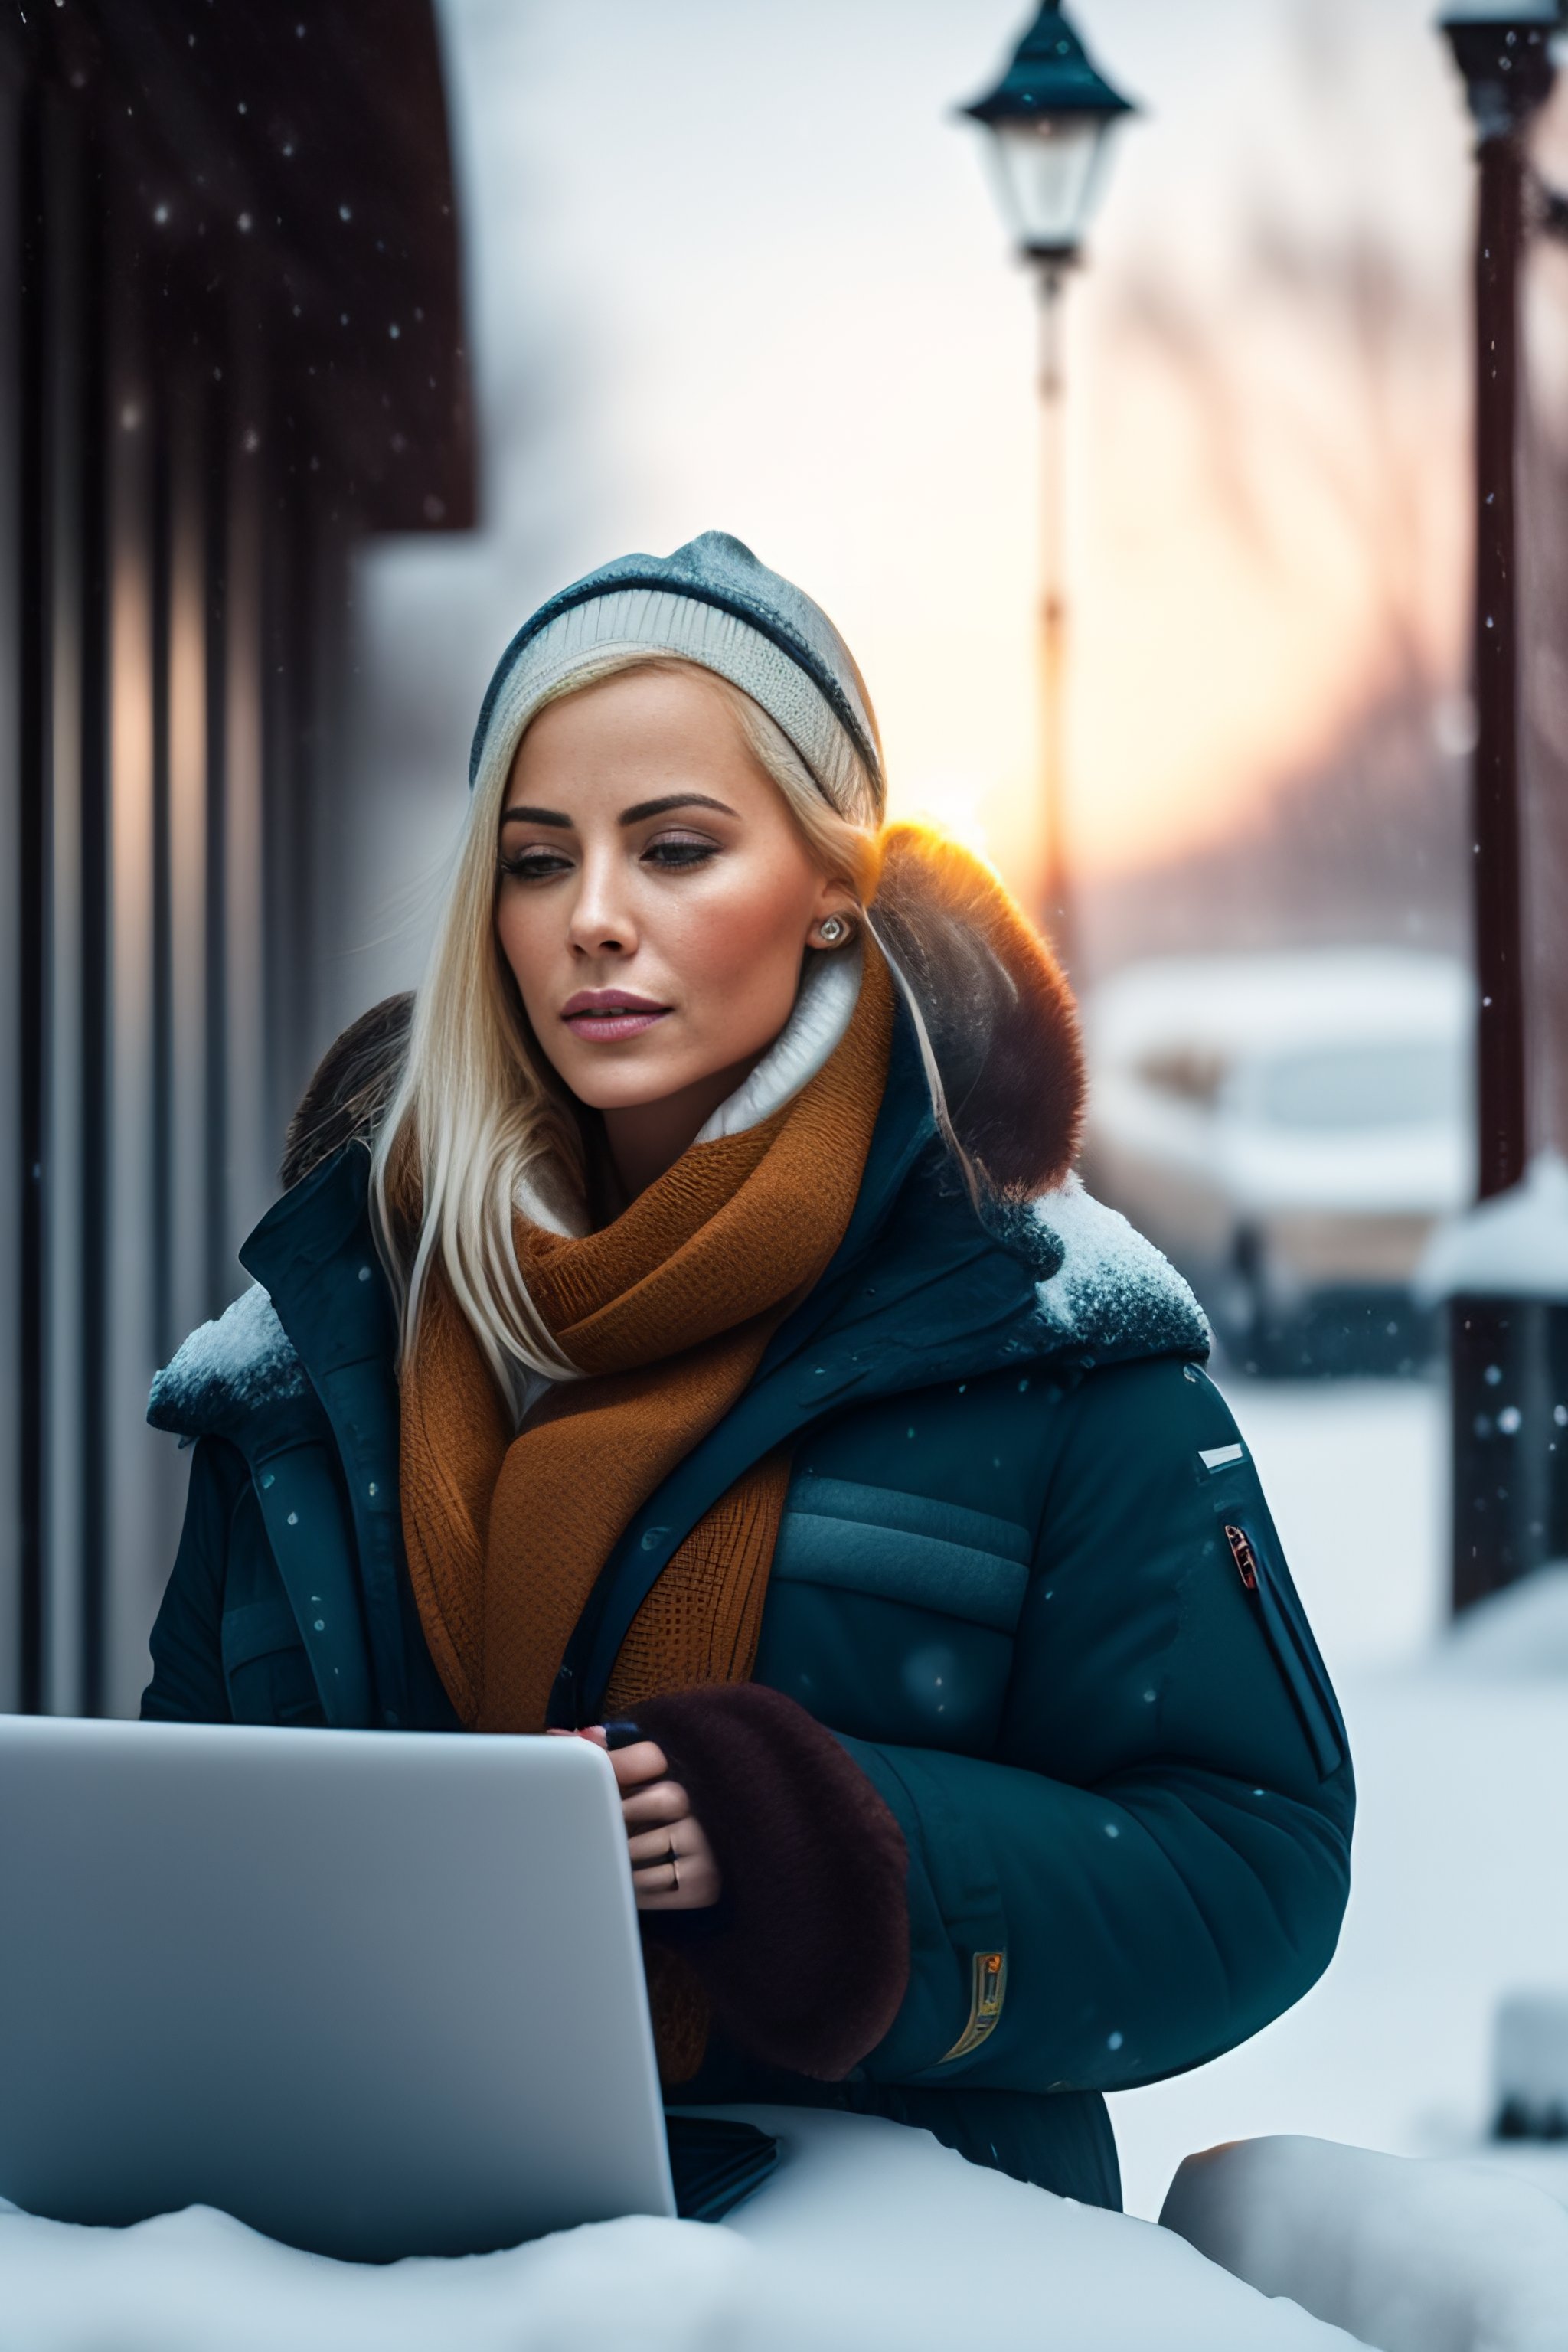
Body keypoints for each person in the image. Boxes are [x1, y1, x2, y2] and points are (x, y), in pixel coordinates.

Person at [142, 531, 1354, 2210]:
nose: (596, 919)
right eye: (538, 860)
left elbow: (1251, 1865)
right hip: (388, 2270)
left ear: (837, 884)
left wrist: (846, 1855)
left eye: (677, 849)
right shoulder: (317, 1350)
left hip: (882, 2277)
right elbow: (174, 1872)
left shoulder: (1041, 1332)